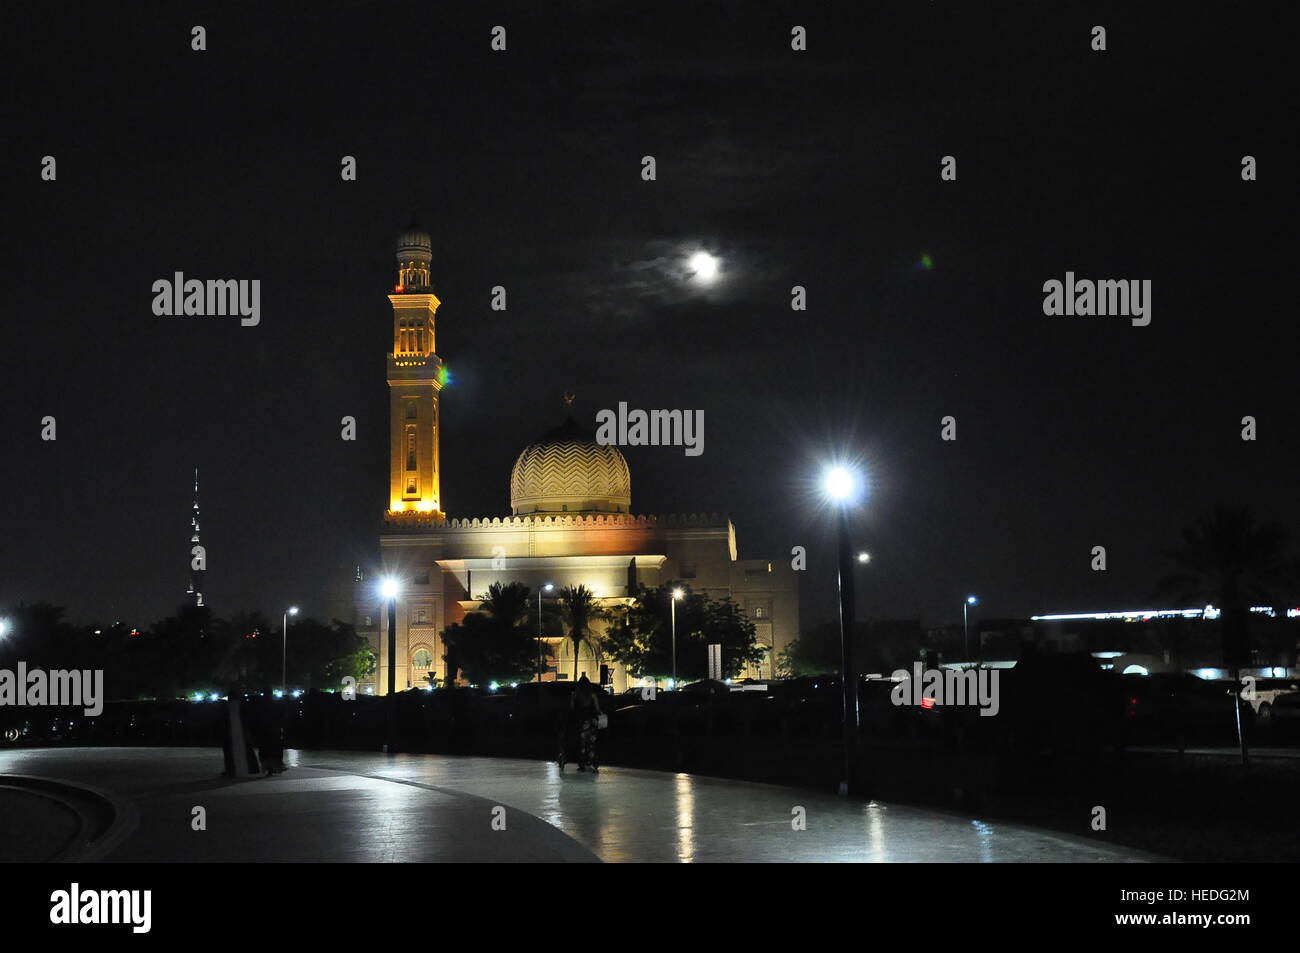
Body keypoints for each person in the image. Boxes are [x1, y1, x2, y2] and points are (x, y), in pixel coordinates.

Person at [569, 674, 603, 772]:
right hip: (591, 720)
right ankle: (593, 761)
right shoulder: (592, 694)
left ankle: (582, 764)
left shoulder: (575, 694)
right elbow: (597, 709)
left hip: (579, 721)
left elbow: (571, 708)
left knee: (581, 743)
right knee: (592, 741)